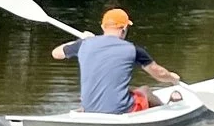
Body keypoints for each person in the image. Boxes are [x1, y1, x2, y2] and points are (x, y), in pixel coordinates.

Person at [52, 7, 181, 114]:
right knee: (145, 91)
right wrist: (172, 78)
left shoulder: (83, 44)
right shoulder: (133, 50)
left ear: (103, 27)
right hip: (121, 110)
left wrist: (80, 41)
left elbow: (56, 53)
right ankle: (164, 110)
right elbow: (159, 74)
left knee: (127, 89)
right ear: (124, 29)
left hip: (89, 109)